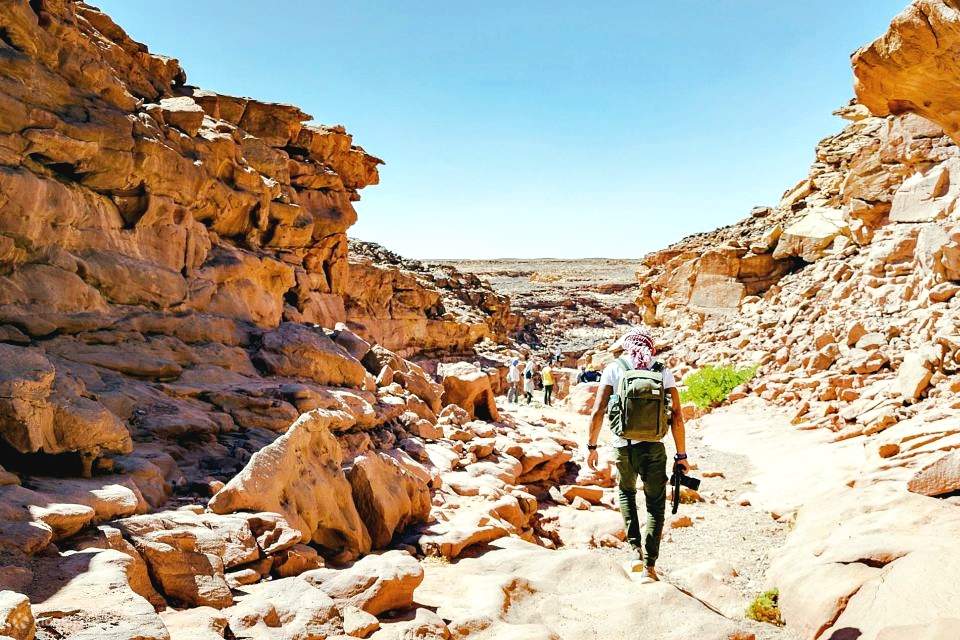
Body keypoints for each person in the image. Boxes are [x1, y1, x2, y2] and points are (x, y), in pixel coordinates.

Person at [585, 326, 688, 584]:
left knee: (626, 493)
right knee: (655, 504)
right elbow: (677, 415)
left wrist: (592, 446)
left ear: (627, 345)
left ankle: (635, 553)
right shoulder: (662, 370)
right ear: (650, 346)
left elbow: (597, 410)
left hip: (623, 445)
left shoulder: (614, 368)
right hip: (654, 447)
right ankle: (650, 567)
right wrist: (682, 454)